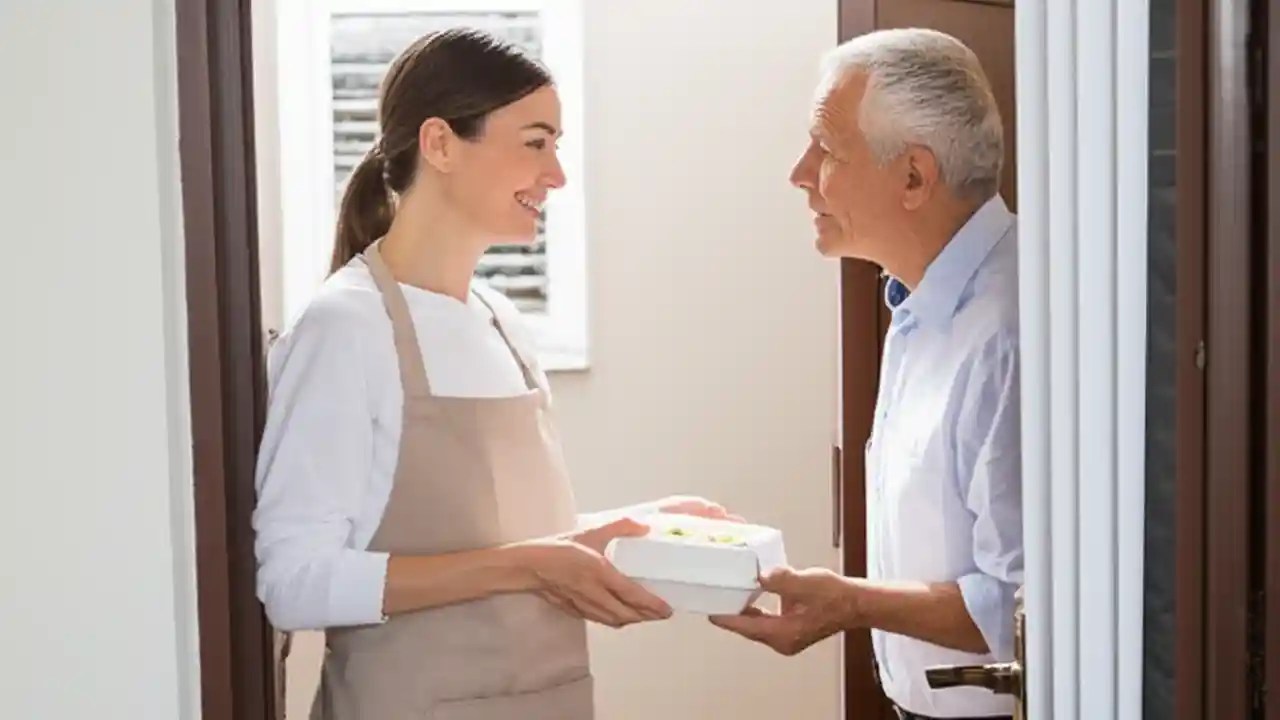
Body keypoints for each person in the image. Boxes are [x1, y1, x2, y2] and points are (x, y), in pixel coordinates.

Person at [252, 28, 730, 719]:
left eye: (557, 146)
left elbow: (494, 541)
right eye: (536, 143)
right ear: (440, 144)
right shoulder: (346, 328)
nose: (557, 175)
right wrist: (528, 565)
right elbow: (294, 582)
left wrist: (614, 534)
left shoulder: (500, 321)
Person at [711, 29, 1022, 720]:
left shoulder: (1010, 331)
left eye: (827, 148)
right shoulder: (918, 304)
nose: (799, 171)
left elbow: (1019, 606)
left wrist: (848, 603)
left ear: (913, 176)